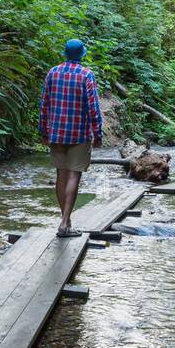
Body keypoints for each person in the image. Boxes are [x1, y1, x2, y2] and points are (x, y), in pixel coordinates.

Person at [39, 38, 103, 237]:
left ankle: (64, 219)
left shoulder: (53, 73)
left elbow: (45, 104)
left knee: (61, 174)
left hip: (56, 133)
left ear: (65, 54)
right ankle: (65, 222)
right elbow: (93, 107)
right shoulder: (86, 75)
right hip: (79, 134)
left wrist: (43, 131)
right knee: (74, 175)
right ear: (82, 54)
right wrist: (97, 132)